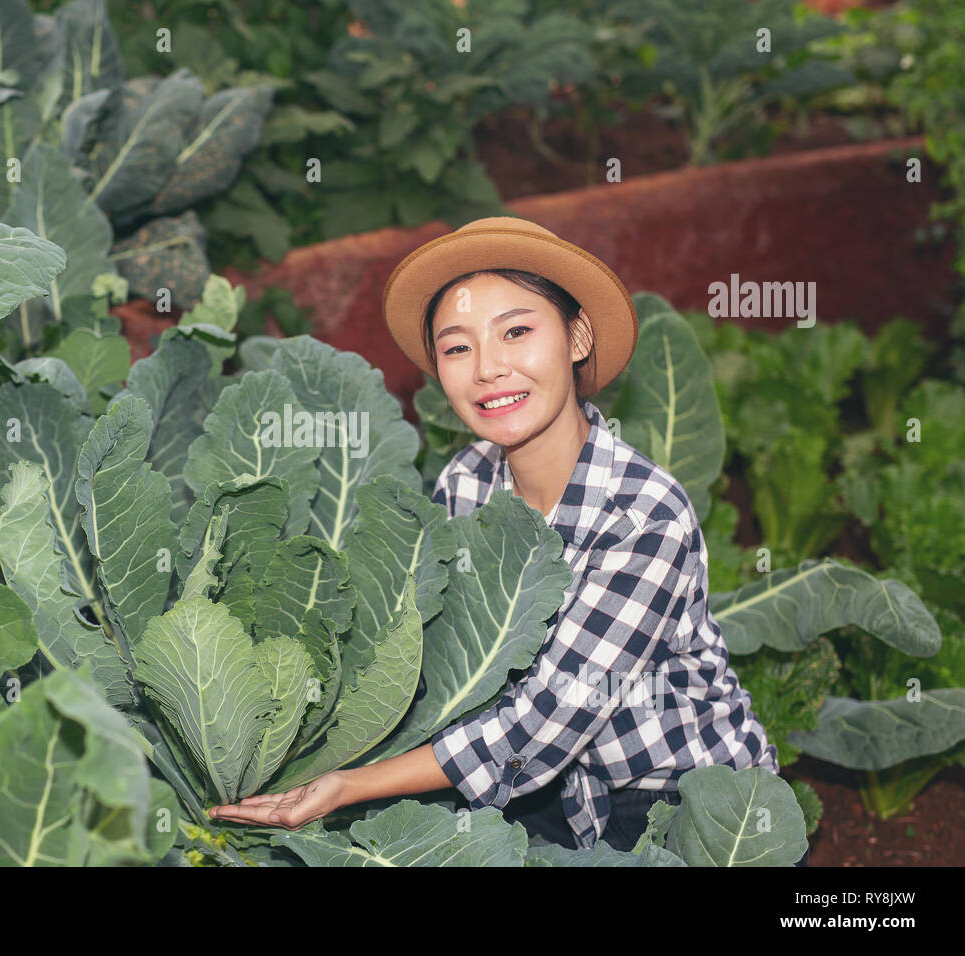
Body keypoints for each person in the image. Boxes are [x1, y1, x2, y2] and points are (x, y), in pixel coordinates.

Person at [208, 216, 807, 866]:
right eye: (458, 347)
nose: (489, 369)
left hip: (687, 800)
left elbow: (539, 728)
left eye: (517, 332)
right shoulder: (467, 483)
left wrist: (344, 786)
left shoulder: (644, 517)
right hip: (547, 796)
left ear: (577, 337)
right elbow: (424, 651)